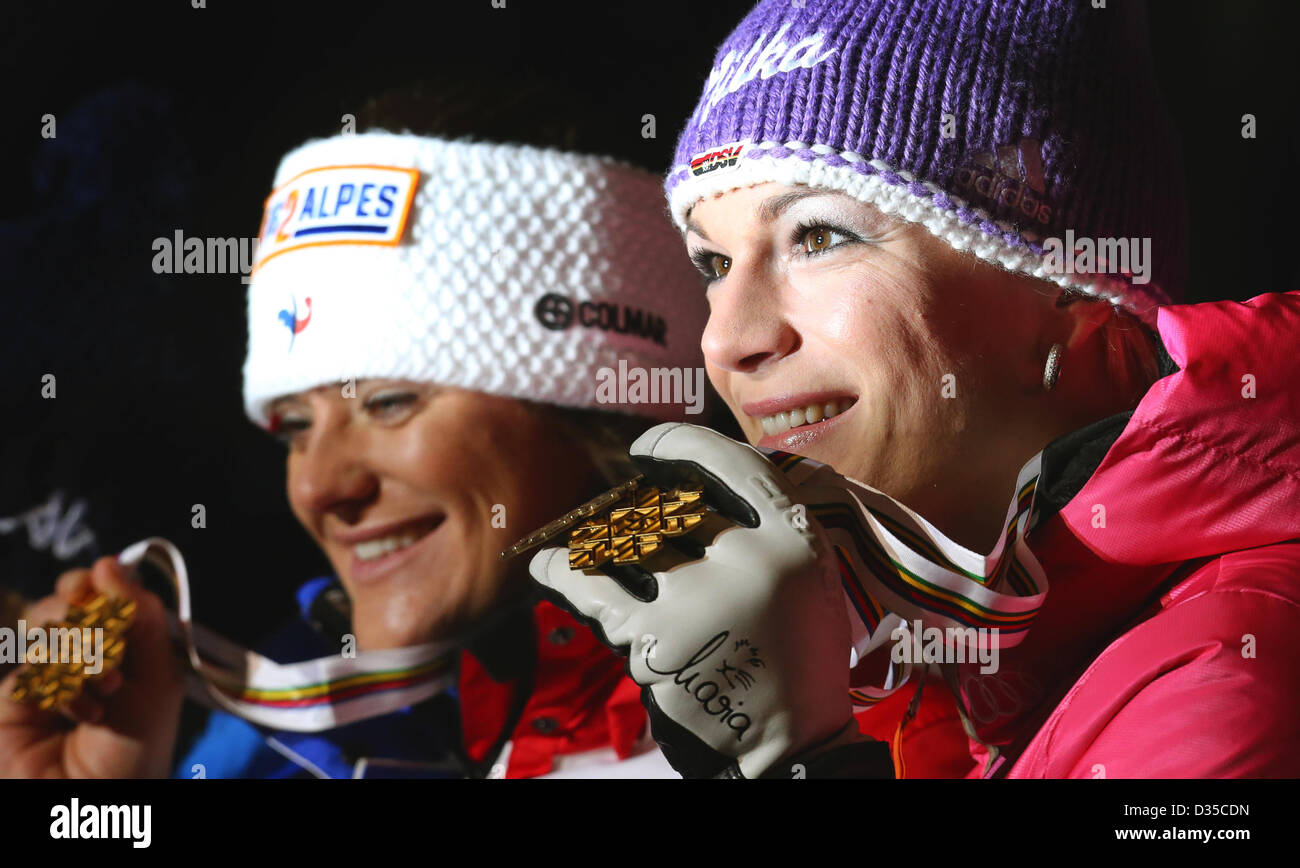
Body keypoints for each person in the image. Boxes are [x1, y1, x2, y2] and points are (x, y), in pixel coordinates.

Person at [530, 0, 1300, 778]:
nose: (727, 341)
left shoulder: (1236, 678)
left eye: (819, 236)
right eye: (714, 265)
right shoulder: (912, 651)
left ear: (1072, 283)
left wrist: (804, 762)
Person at [0, 84, 710, 779]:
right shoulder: (280, 732)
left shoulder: (783, 711)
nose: (317, 485)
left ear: (609, 408)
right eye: (295, 428)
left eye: (390, 402)